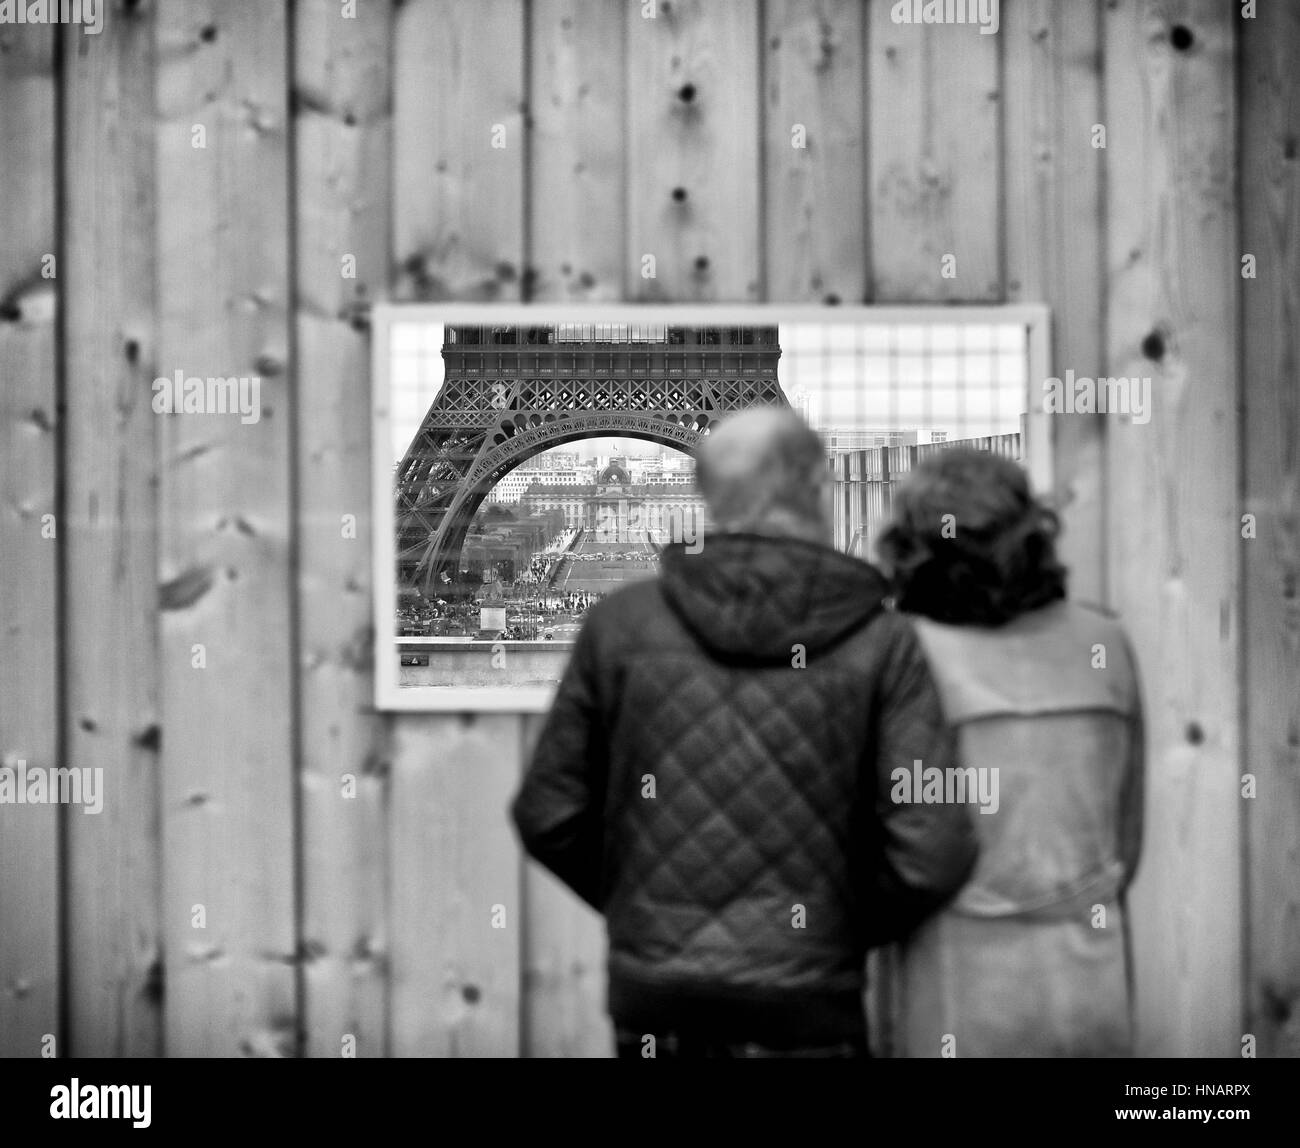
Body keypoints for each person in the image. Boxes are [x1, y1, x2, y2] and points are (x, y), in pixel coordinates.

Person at [511, 408, 978, 1059]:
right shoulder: (885, 640)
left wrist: (643, 909)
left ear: (706, 497)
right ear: (820, 487)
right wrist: (830, 927)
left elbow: (547, 812)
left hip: (657, 1000)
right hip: (809, 1004)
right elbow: (935, 848)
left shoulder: (620, 625)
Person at [875, 448, 1144, 1057]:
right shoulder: (1105, 643)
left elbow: (894, 849)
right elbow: (1127, 840)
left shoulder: (903, 651)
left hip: (953, 983)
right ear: (1033, 532)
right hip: (1088, 979)